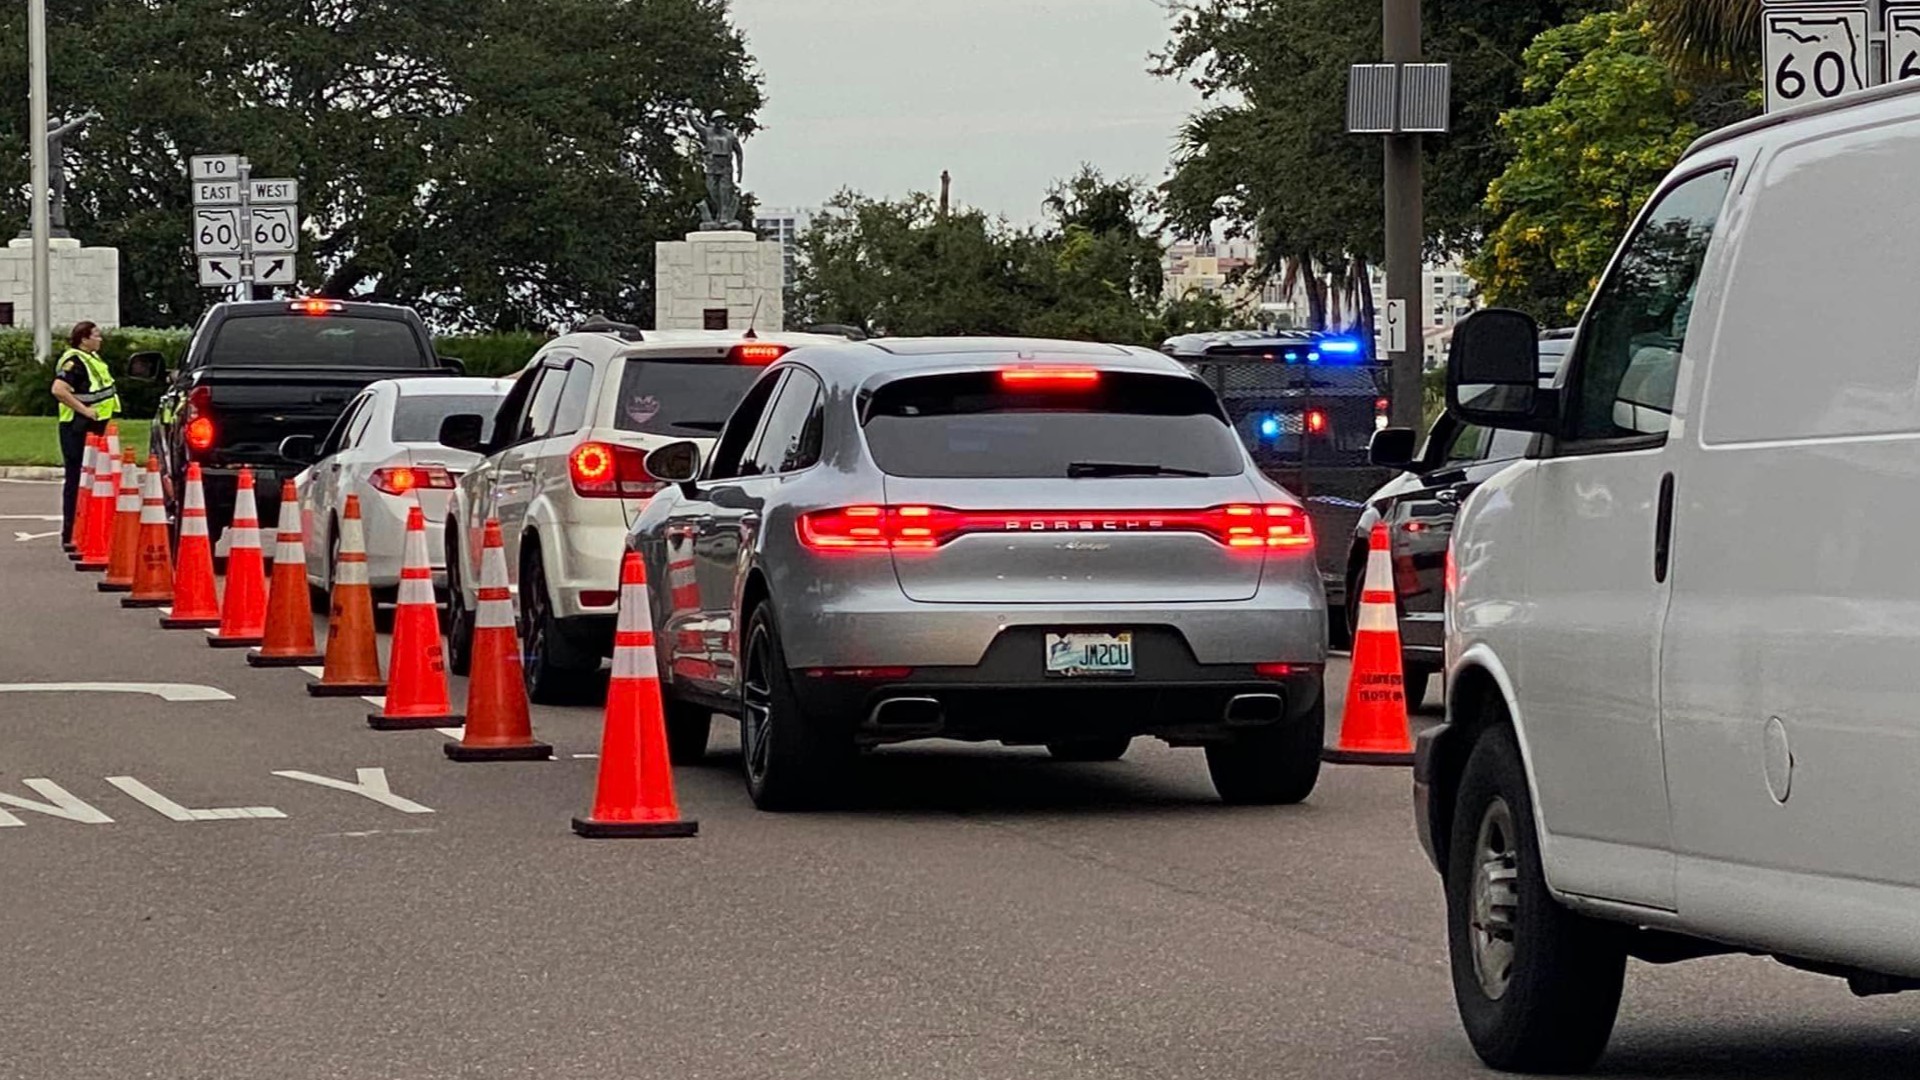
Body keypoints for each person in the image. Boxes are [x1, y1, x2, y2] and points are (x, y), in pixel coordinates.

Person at [50, 321, 120, 547]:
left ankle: (88, 529)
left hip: (94, 427)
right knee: (77, 478)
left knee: (92, 480)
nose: (100, 339)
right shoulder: (74, 361)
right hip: (78, 427)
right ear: (84, 339)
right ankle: (71, 532)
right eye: (96, 335)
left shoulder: (92, 358)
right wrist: (85, 411)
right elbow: (59, 390)